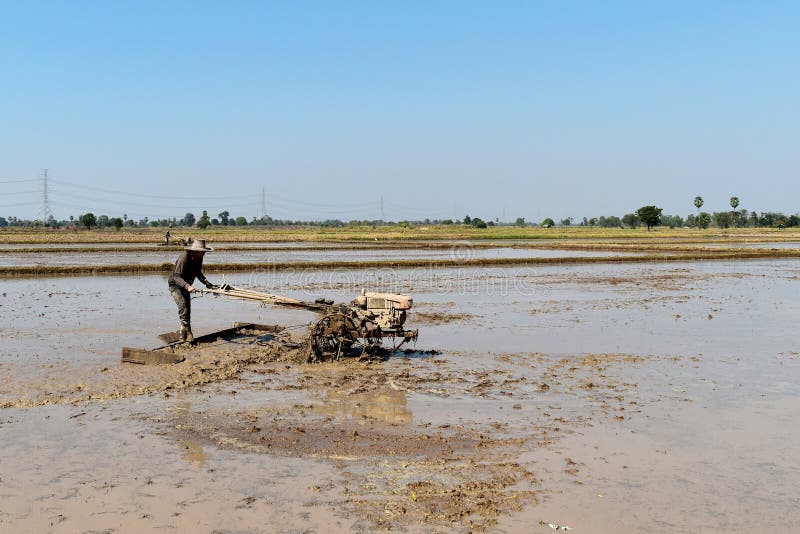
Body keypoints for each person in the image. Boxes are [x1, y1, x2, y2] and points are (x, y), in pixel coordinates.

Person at [168, 238, 217, 342]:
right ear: (194, 250)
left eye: (204, 252)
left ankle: (185, 334)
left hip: (187, 285)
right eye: (201, 252)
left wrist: (206, 282)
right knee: (183, 305)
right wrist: (188, 286)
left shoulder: (199, 257)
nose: (204, 254)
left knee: (187, 310)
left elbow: (197, 272)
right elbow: (176, 276)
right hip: (176, 285)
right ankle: (185, 333)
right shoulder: (184, 257)